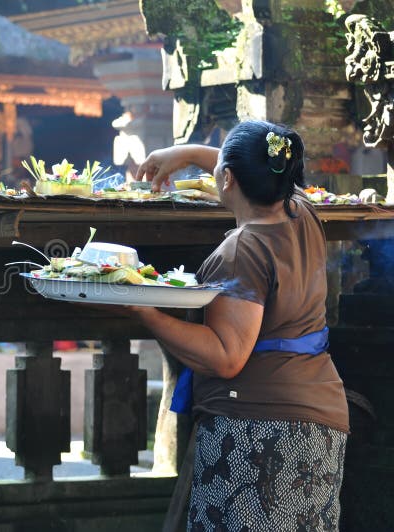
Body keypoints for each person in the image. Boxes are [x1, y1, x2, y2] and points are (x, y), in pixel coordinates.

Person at [124, 120, 348, 530]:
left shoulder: (243, 250)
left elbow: (226, 356)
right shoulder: (302, 213)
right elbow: (262, 173)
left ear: (227, 178)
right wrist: (189, 154)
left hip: (260, 429)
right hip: (322, 418)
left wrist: (145, 309)